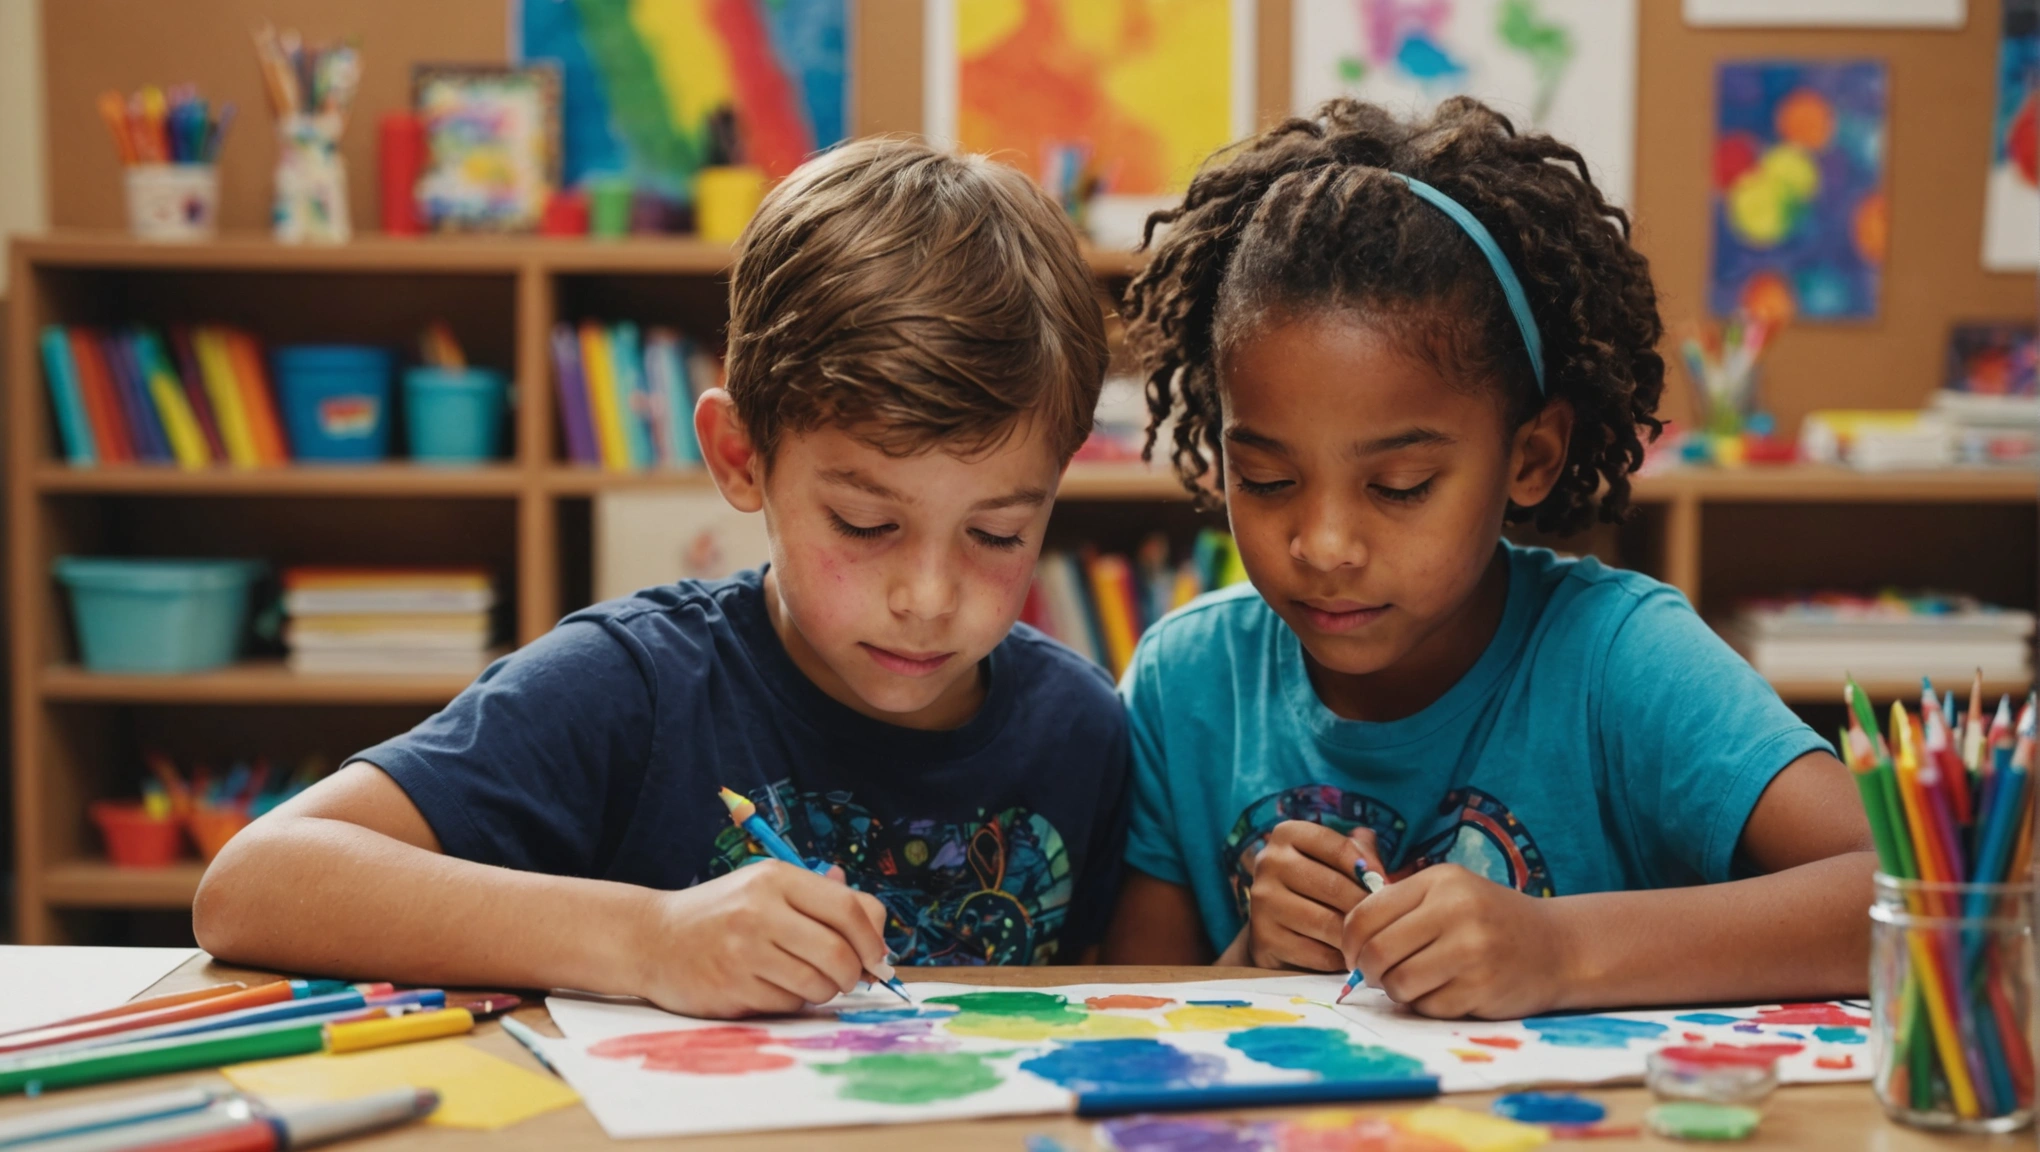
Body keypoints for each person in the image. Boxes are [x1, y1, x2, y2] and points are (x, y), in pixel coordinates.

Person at [196, 137, 1128, 1018]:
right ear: (740, 457)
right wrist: (647, 939)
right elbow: (254, 884)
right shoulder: (630, 687)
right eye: (865, 524)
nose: (928, 597)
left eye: (997, 534)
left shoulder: (1080, 729)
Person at [1101, 98, 1874, 1019]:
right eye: (1266, 480)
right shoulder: (1187, 684)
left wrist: (1563, 951)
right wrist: (1251, 956)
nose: (1326, 546)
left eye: (1400, 487)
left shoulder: (1619, 659)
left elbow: (1911, 892)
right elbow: (1131, 1016)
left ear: (1530, 458)